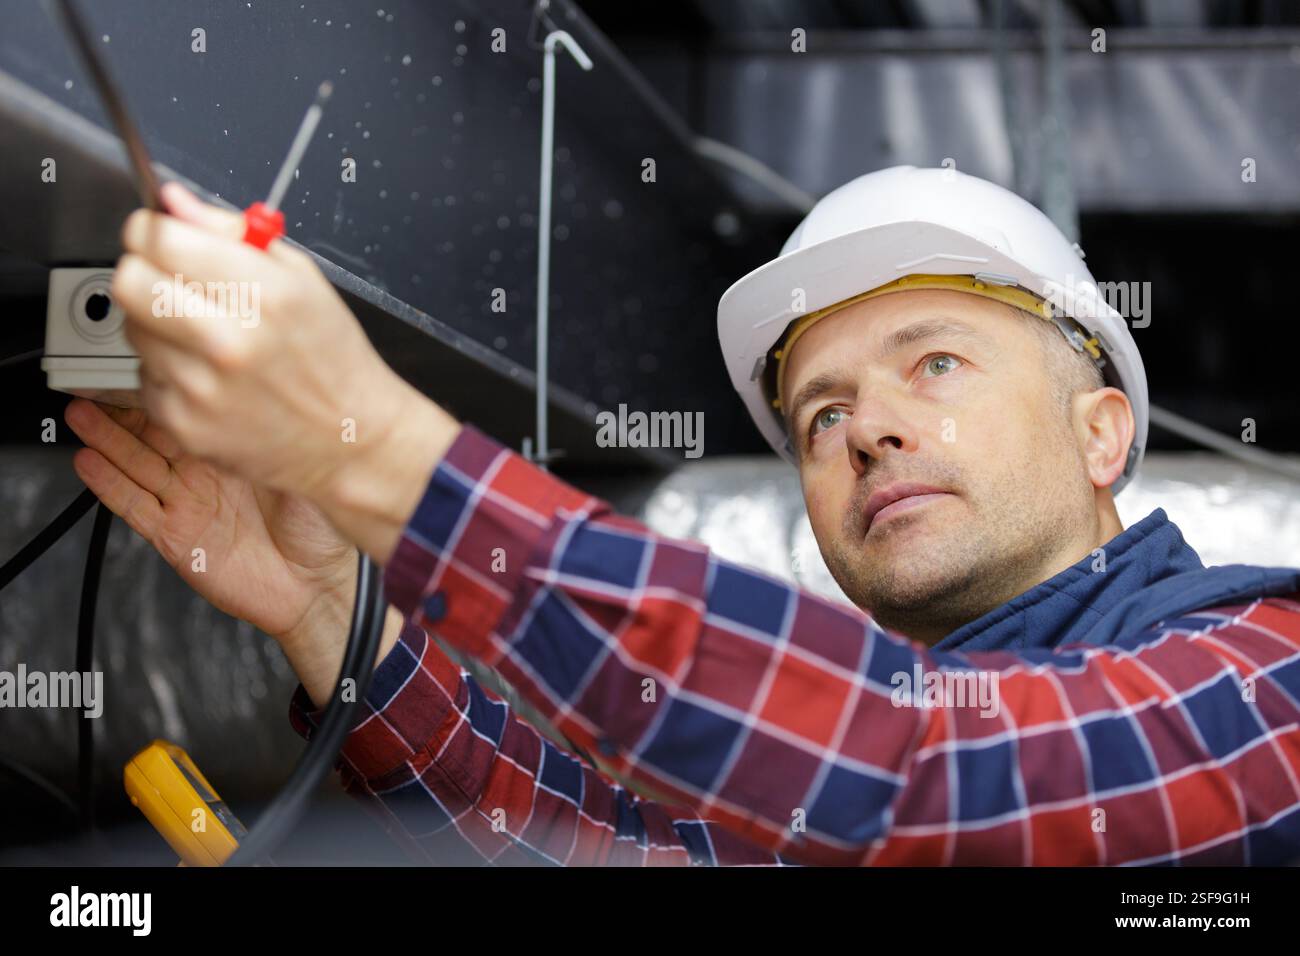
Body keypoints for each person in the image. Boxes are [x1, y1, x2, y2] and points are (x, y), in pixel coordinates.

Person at [70, 167, 1300, 866]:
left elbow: (936, 776)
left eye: (934, 363)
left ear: (1101, 432)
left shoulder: (1263, 683)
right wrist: (333, 610)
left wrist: (383, 449)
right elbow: (589, 854)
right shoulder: (818, 804)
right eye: (822, 415)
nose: (865, 429)